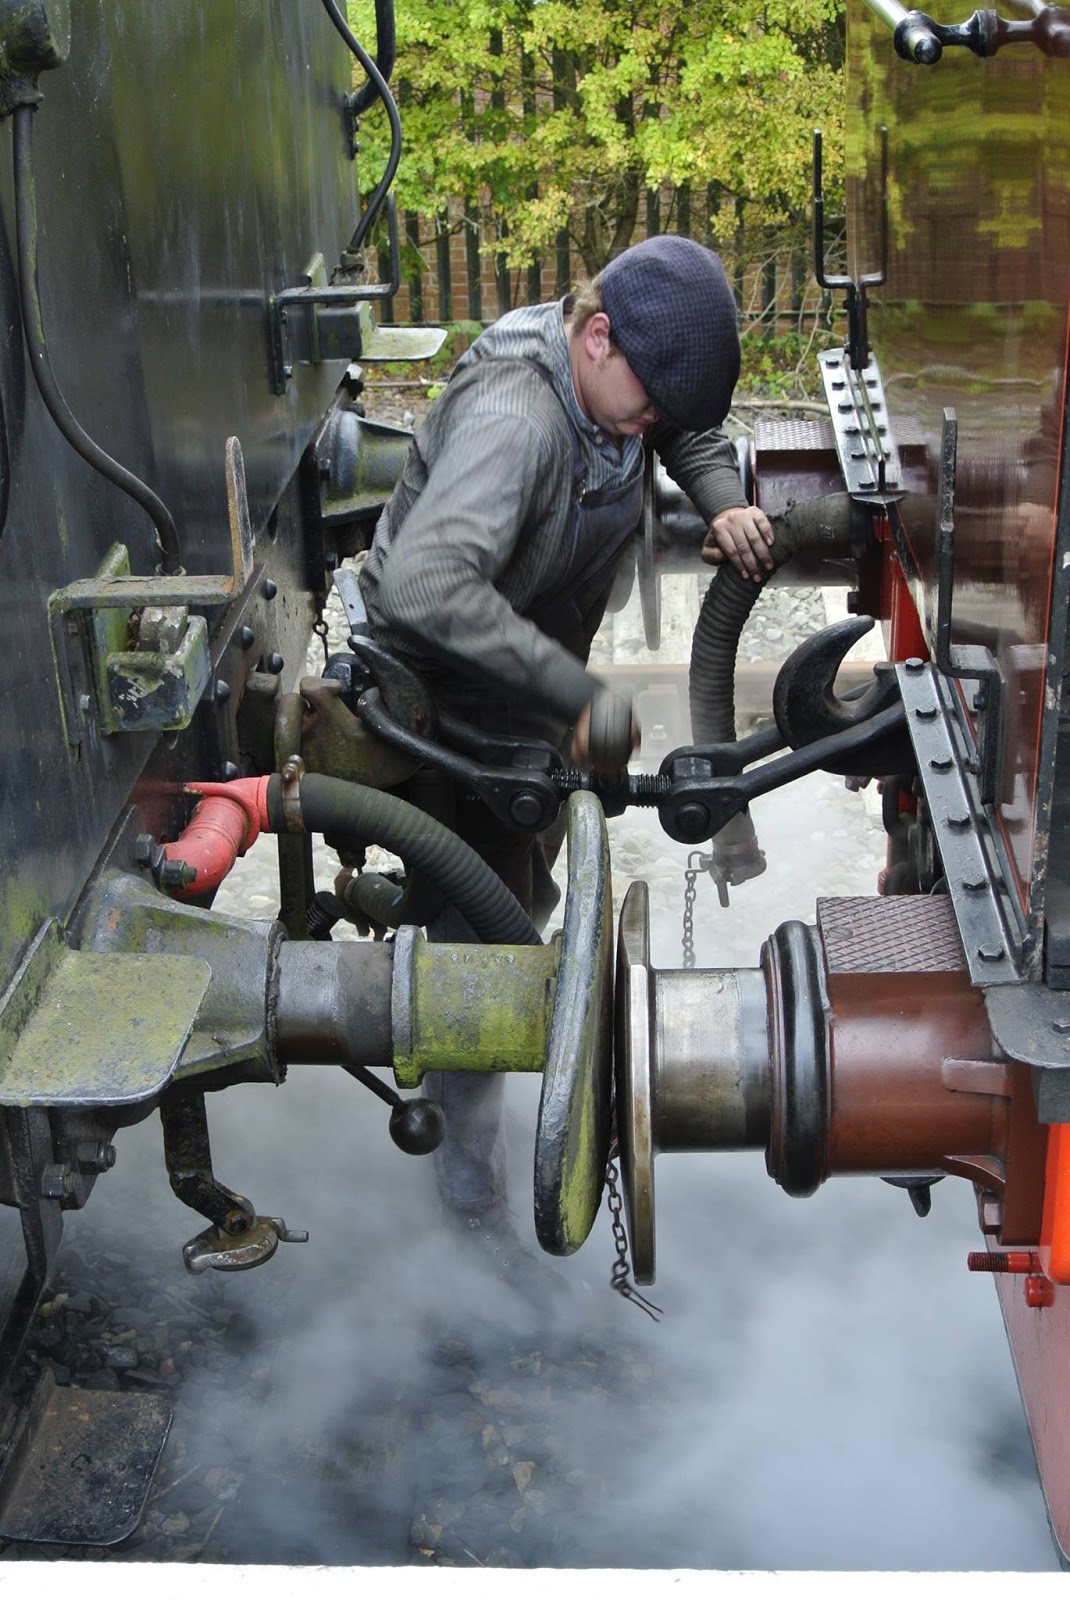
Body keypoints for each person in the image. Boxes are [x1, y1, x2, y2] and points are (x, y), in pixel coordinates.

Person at [358, 235, 772, 1263]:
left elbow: (672, 428)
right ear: (595, 335)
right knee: (483, 949)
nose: (651, 427)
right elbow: (421, 587)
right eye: (644, 405)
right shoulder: (516, 416)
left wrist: (721, 500)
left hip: (518, 705)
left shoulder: (615, 379)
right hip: (441, 711)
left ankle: (460, 1127)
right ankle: (469, 1204)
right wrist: (570, 693)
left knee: (511, 909)